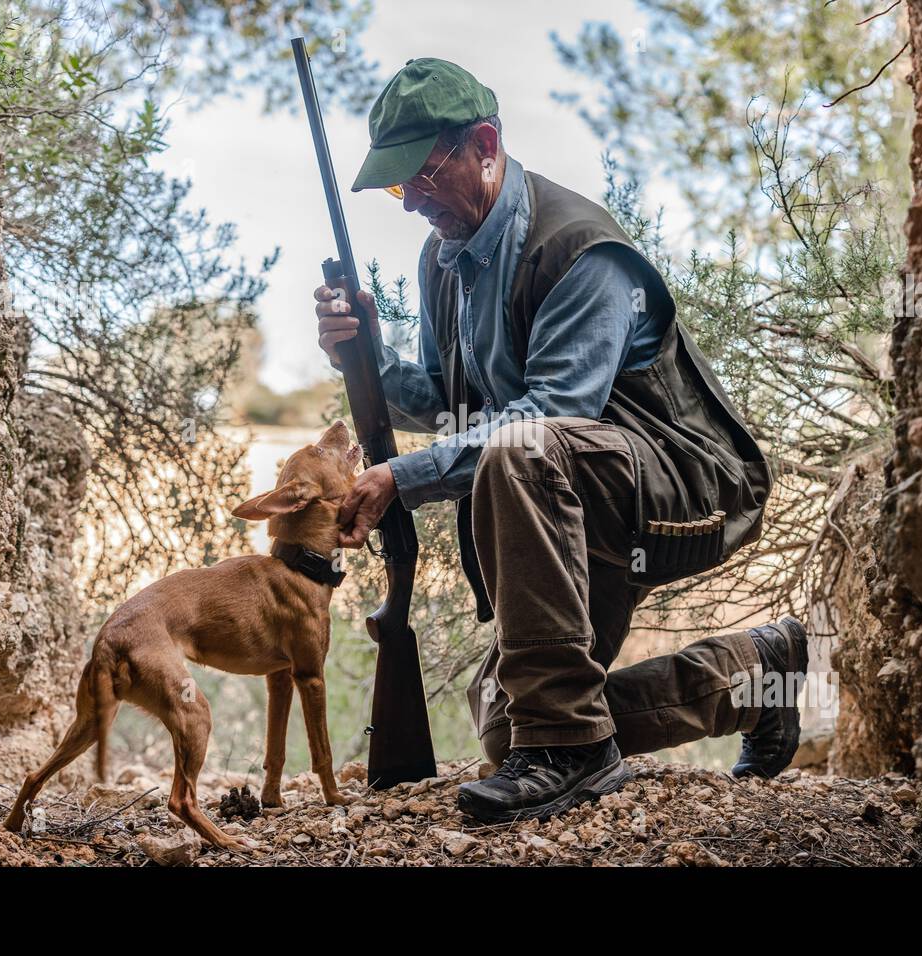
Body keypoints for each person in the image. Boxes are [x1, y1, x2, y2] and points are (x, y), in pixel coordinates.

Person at [312, 57, 808, 824]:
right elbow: (452, 406)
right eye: (394, 185)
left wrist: (402, 480)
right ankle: (753, 674)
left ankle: (573, 749)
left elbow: (547, 418)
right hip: (572, 491)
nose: (409, 201)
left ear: (485, 143)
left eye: (421, 174)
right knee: (508, 727)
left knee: (525, 448)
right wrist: (366, 357)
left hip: (684, 488)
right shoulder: (446, 260)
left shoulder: (579, 249)